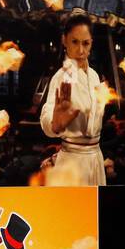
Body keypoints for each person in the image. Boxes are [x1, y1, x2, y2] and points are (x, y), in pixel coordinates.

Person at [38, 12, 108, 186]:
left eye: (85, 43)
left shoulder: (93, 76)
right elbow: (46, 118)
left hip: (95, 158)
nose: (81, 50)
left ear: (92, 43)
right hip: (72, 162)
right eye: (75, 42)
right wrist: (55, 124)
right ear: (65, 41)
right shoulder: (62, 77)